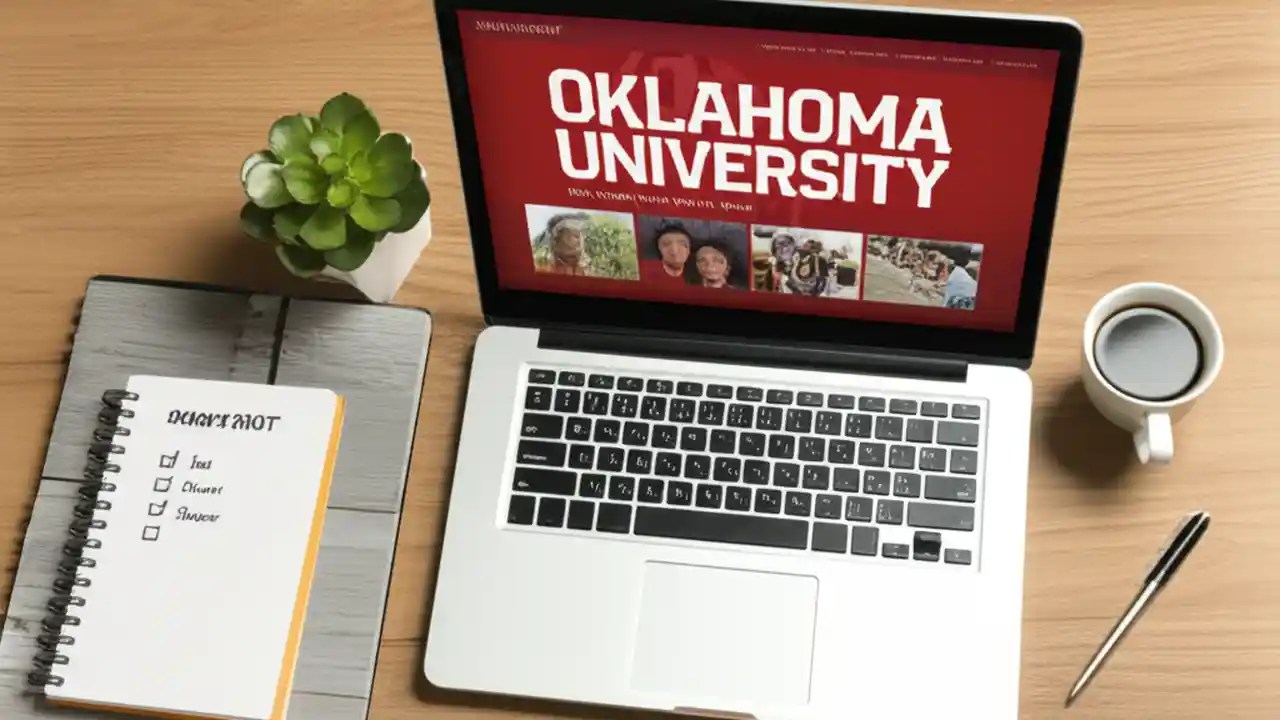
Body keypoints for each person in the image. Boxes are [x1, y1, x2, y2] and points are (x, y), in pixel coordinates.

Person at [641, 220, 693, 285]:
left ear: (689, 250)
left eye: (682, 244)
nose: (674, 251)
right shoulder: (644, 270)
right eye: (666, 244)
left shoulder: (698, 274)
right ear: (659, 249)